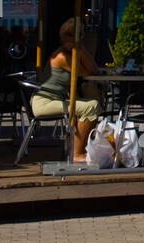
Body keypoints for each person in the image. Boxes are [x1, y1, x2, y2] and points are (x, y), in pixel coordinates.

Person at [33, 18, 103, 164]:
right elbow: (89, 71)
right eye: (70, 35)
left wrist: (79, 48)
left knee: (89, 104)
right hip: (44, 102)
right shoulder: (61, 57)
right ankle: (76, 153)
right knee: (92, 106)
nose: (69, 40)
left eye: (75, 36)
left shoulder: (67, 54)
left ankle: (78, 147)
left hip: (54, 99)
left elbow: (91, 71)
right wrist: (81, 49)